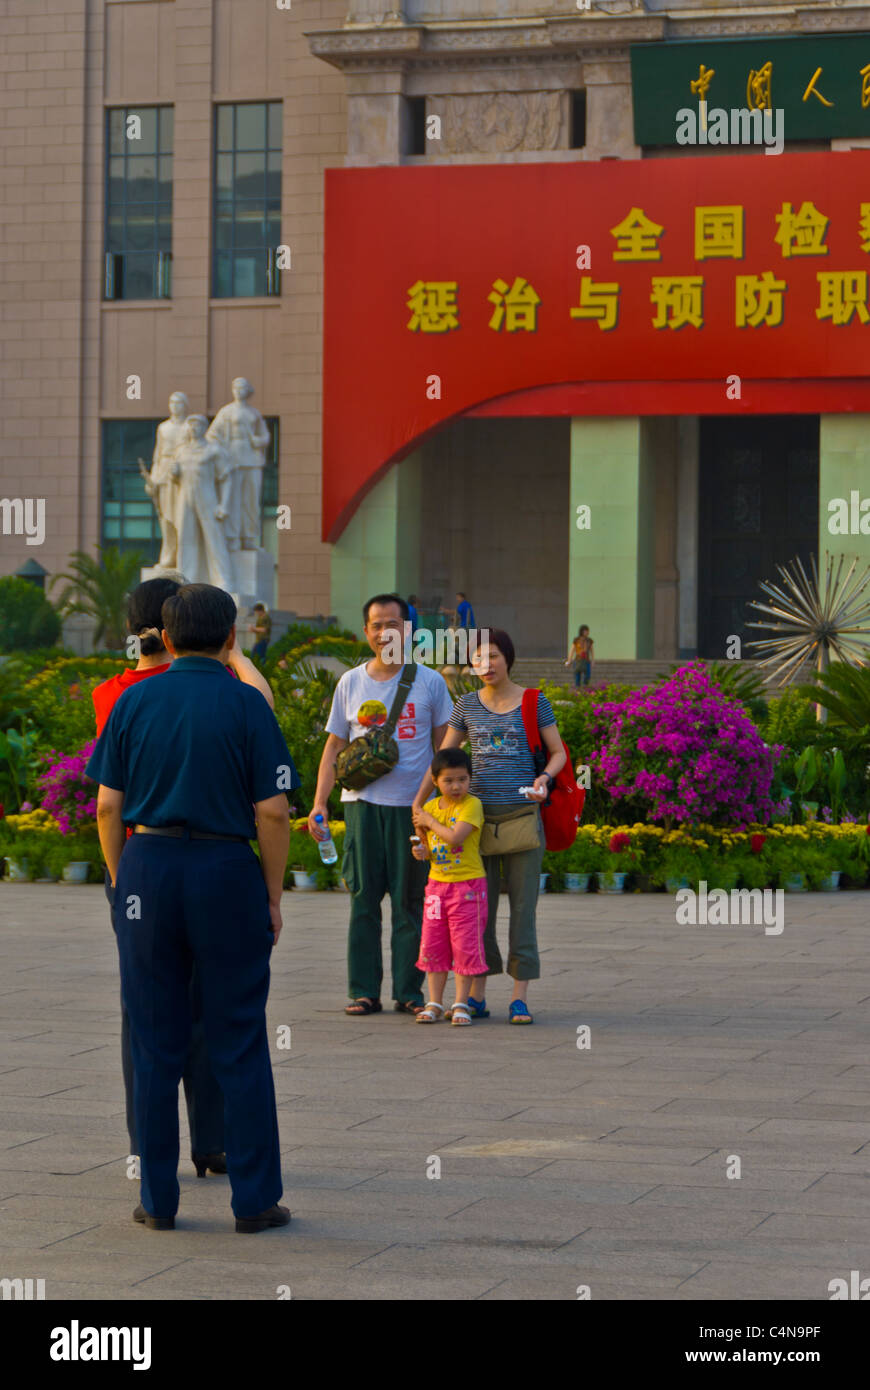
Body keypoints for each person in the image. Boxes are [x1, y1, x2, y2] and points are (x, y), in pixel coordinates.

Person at [86, 583, 298, 1233]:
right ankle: (254, 1200)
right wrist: (270, 890)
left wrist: (125, 884)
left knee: (155, 1040)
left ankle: (157, 1200)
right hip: (227, 870)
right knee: (237, 1036)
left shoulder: (132, 701)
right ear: (231, 639)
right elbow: (272, 810)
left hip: (148, 867)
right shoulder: (247, 706)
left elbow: (105, 806)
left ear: (167, 640)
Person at [308, 593, 453, 1016]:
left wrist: (441, 805)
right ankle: (363, 990)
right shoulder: (351, 682)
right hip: (362, 806)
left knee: (411, 902)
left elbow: (444, 747)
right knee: (363, 900)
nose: (385, 631)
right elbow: (334, 745)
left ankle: (409, 991)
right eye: (377, 624)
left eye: (395, 623)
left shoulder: (430, 682)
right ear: (366, 631)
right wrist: (320, 802)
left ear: (409, 630)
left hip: (413, 809)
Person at [413, 629, 566, 1024]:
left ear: (507, 658)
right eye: (478, 659)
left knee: (522, 911)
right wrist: (420, 802)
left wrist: (543, 779)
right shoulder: (466, 704)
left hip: (522, 821)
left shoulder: (534, 702)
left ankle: (519, 996)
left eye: (493, 656)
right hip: (475, 826)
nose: (486, 665)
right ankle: (476, 995)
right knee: (478, 913)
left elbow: (558, 752)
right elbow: (445, 758)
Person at [411, 747, 487, 1027]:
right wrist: (422, 851)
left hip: (467, 888)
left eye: (462, 779)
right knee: (433, 944)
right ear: (434, 780)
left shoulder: (471, 805)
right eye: (449, 780)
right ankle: (433, 1002)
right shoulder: (430, 808)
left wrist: (429, 822)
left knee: (465, 946)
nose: (456, 786)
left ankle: (460, 1003)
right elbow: (432, 849)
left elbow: (455, 838)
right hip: (436, 888)